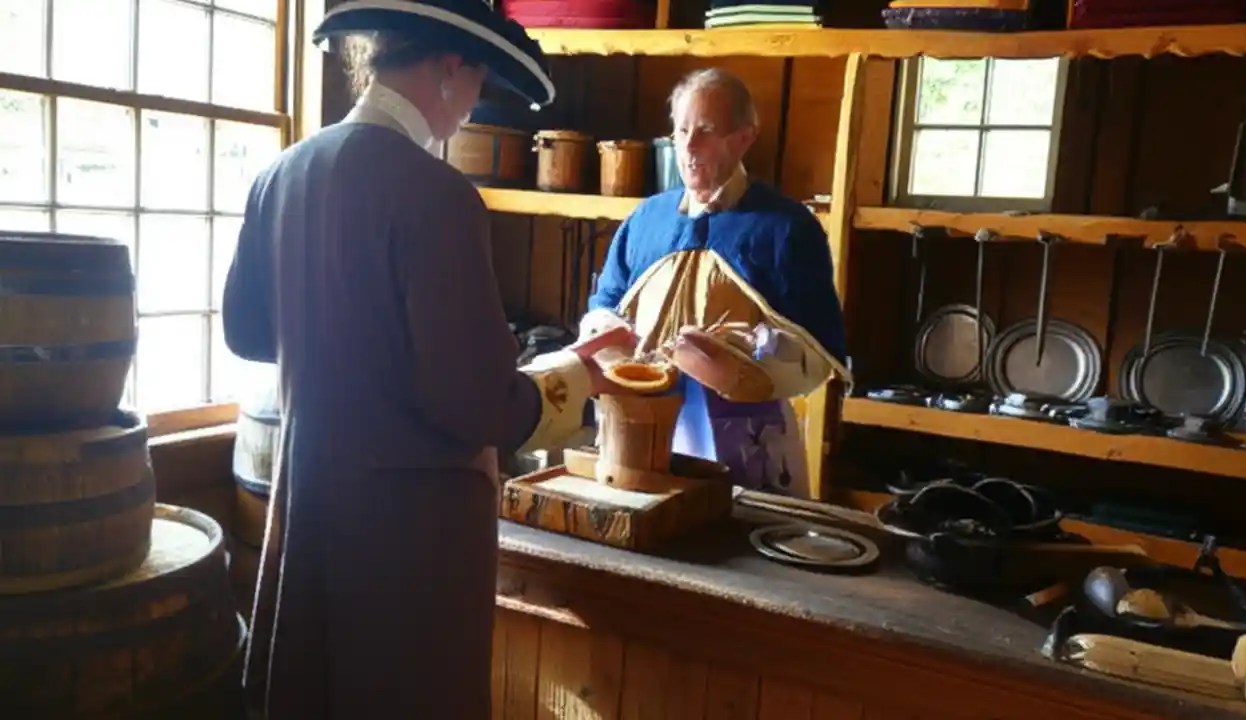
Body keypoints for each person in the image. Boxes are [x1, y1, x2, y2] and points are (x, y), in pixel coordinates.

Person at [220, 1, 635, 716]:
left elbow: (249, 333)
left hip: (310, 506)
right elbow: (472, 401)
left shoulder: (279, 175)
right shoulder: (437, 194)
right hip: (409, 534)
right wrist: (574, 376)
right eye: (478, 85)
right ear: (451, 67)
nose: (474, 107)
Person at [582, 67, 852, 499]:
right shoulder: (645, 220)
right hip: (640, 436)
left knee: (737, 558)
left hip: (747, 445)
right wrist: (614, 352)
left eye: (705, 130)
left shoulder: (786, 229)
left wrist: (746, 354)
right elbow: (604, 309)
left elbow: (816, 354)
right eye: (682, 129)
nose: (688, 146)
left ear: (744, 137)